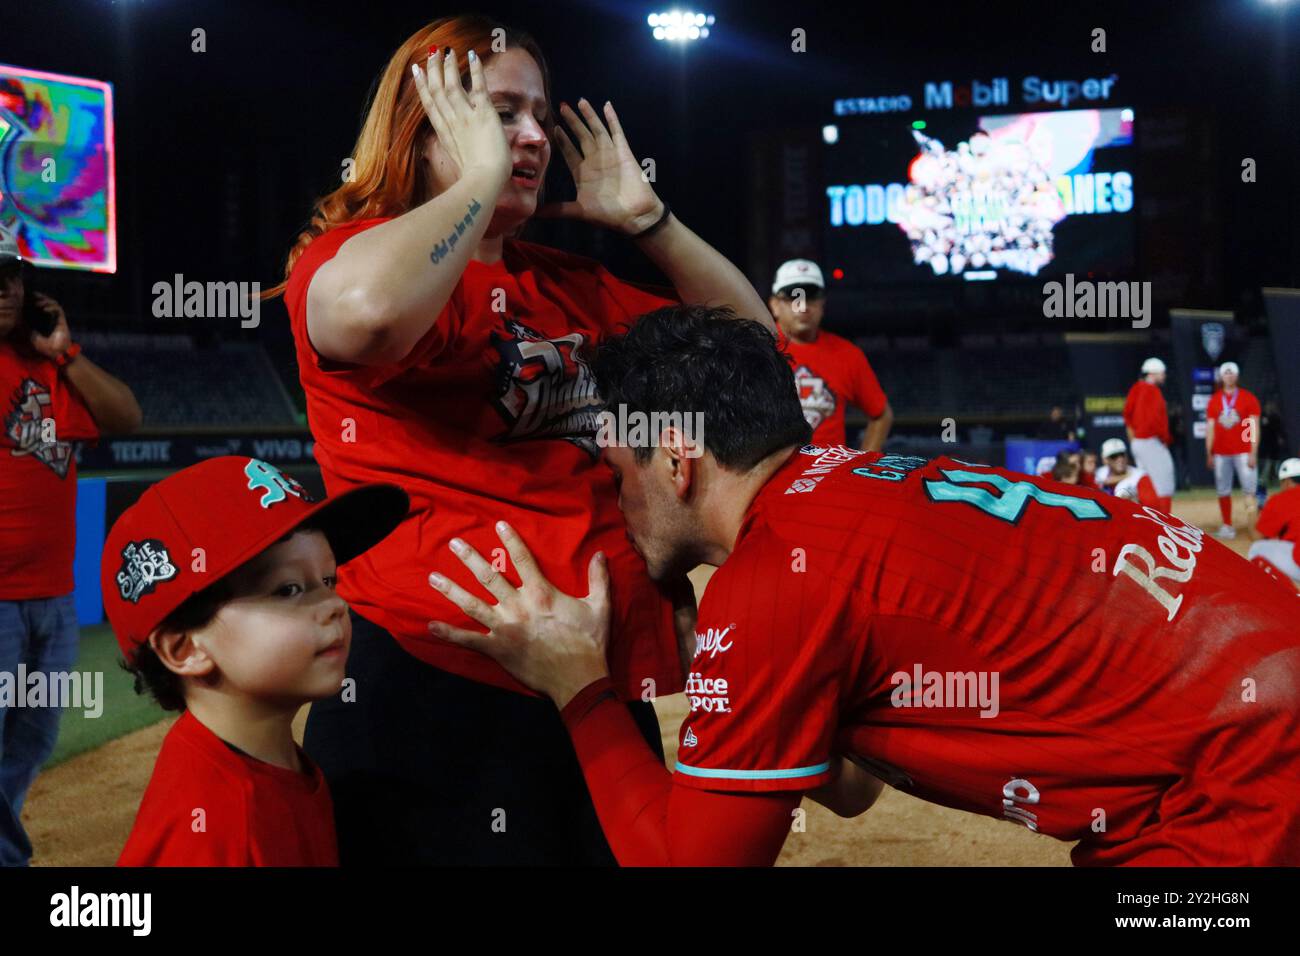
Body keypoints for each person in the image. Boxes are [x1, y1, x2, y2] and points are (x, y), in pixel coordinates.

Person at [430, 307, 1299, 866]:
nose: (613, 494)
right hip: (1255, 703)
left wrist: (576, 685)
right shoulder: (855, 480)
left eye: (617, 469)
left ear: (677, 458)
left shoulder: (777, 577)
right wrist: (746, 699)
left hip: (1244, 793)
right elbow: (851, 787)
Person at [265, 15, 774, 864]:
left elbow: (755, 353)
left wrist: (651, 223)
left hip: (592, 687)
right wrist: (480, 180)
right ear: (420, 124)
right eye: (501, 113)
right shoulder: (349, 259)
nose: (534, 136)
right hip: (435, 688)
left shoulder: (566, 284)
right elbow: (367, 317)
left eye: (538, 114)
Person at [106, 456, 408, 866]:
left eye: (329, 580)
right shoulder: (217, 828)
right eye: (287, 589)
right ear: (185, 650)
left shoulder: (264, 760)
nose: (335, 604)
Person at [0, 229, 142, 866]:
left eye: (10, 275)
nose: (3, 288)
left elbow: (126, 419)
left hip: (53, 600)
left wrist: (66, 353)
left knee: (31, 742)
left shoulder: (48, 366)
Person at [767, 259, 891, 450]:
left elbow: (881, 415)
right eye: (794, 297)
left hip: (827, 476)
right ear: (775, 304)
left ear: (822, 302)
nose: (803, 306)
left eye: (812, 296)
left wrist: (863, 465)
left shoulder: (847, 355)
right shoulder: (758, 349)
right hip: (773, 477)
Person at [1204, 362, 1261, 539]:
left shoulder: (1248, 398)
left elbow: (1253, 426)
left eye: (1232, 374)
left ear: (1236, 376)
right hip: (1221, 452)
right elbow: (1210, 428)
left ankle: (1254, 527)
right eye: (1226, 374)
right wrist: (1209, 451)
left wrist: (1253, 452)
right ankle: (1227, 526)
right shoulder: (1214, 400)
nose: (1229, 377)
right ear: (1222, 377)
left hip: (1244, 451)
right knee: (1223, 490)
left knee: (1250, 490)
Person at [1123, 356, 1174, 512]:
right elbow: (1155, 420)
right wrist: (1165, 437)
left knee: (1146, 483)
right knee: (1164, 485)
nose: (1164, 376)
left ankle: (1149, 523)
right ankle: (1165, 524)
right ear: (1151, 374)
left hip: (1138, 442)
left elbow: (1127, 415)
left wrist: (1133, 440)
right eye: (1161, 373)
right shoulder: (1153, 390)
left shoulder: (1136, 388)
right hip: (1151, 441)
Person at [1247, 457, 1300, 588]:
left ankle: (1289, 597)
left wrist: (1251, 509)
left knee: (1257, 549)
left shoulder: (1282, 499)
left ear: (1287, 481)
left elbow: (1256, 536)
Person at [1094, 438, 1160, 509]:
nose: (1120, 459)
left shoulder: (1140, 476)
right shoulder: (1099, 473)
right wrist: (1124, 476)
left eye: (1122, 454)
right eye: (1114, 456)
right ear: (1105, 460)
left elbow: (1154, 509)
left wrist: (1135, 502)